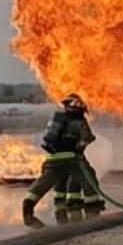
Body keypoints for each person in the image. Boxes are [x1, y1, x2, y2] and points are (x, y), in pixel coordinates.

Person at [22, 94, 96, 224]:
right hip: (72, 159)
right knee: (89, 178)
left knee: (48, 183)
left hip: (53, 159)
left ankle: (29, 209)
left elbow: (47, 140)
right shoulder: (79, 121)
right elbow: (86, 138)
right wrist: (80, 146)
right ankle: (93, 214)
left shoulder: (57, 119)